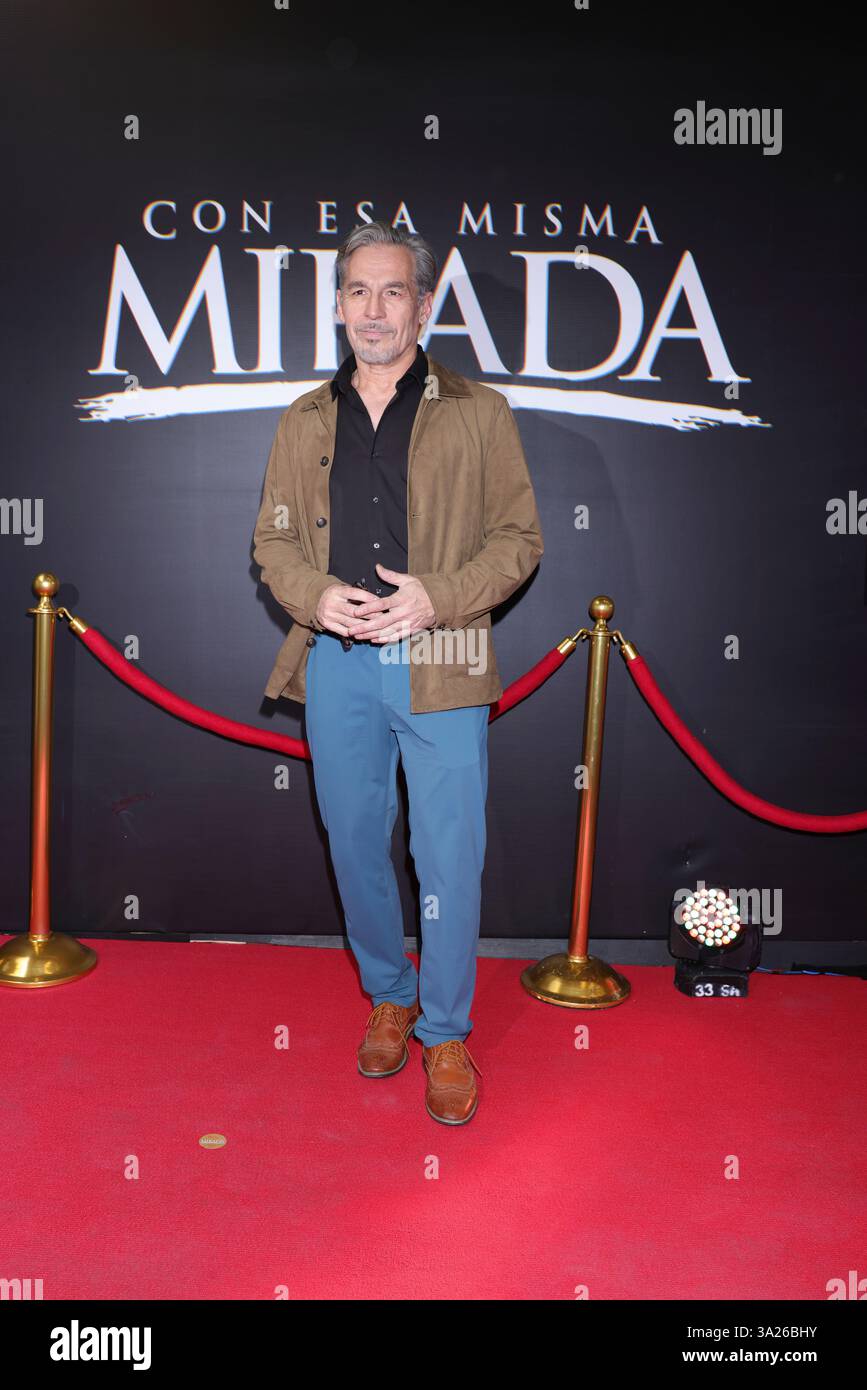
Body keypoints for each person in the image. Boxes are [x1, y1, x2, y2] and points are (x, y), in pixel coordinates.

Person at [253, 220, 543, 1124]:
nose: (373, 310)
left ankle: (445, 1030)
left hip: (444, 648)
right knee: (352, 840)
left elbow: (519, 540)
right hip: (336, 656)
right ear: (338, 305)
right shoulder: (304, 417)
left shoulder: (479, 409)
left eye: (392, 292)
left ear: (422, 305)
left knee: (446, 852)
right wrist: (313, 596)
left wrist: (441, 598)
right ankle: (390, 991)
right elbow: (274, 540)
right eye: (357, 292)